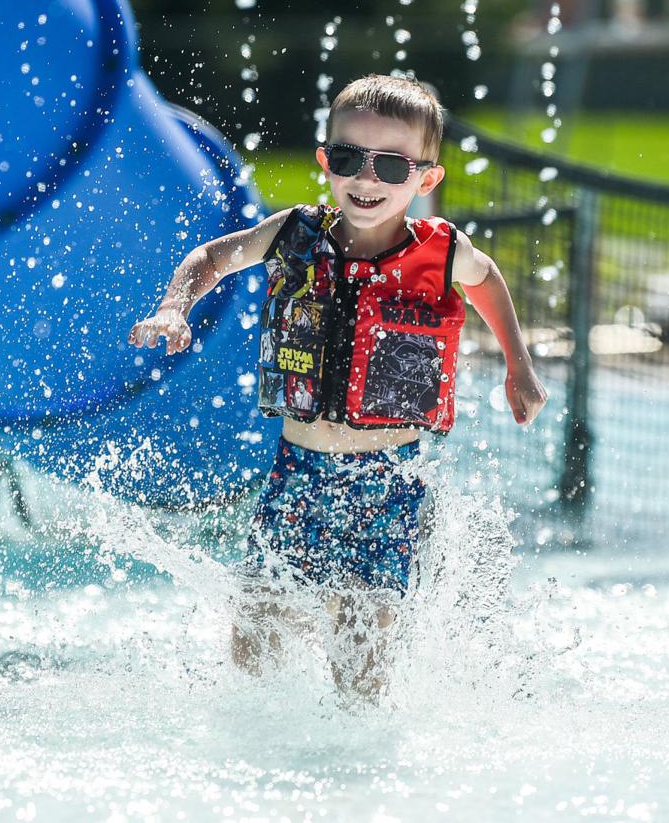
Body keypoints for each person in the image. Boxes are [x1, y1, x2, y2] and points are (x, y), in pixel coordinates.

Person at [128, 74, 547, 698]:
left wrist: (519, 364)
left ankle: (360, 768)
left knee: (361, 646)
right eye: (349, 159)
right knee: (256, 625)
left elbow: (487, 281)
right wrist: (174, 306)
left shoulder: (443, 251)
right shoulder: (294, 233)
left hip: (389, 479)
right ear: (326, 161)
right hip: (297, 469)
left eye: (391, 165)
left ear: (426, 179)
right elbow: (211, 258)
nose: (367, 178)